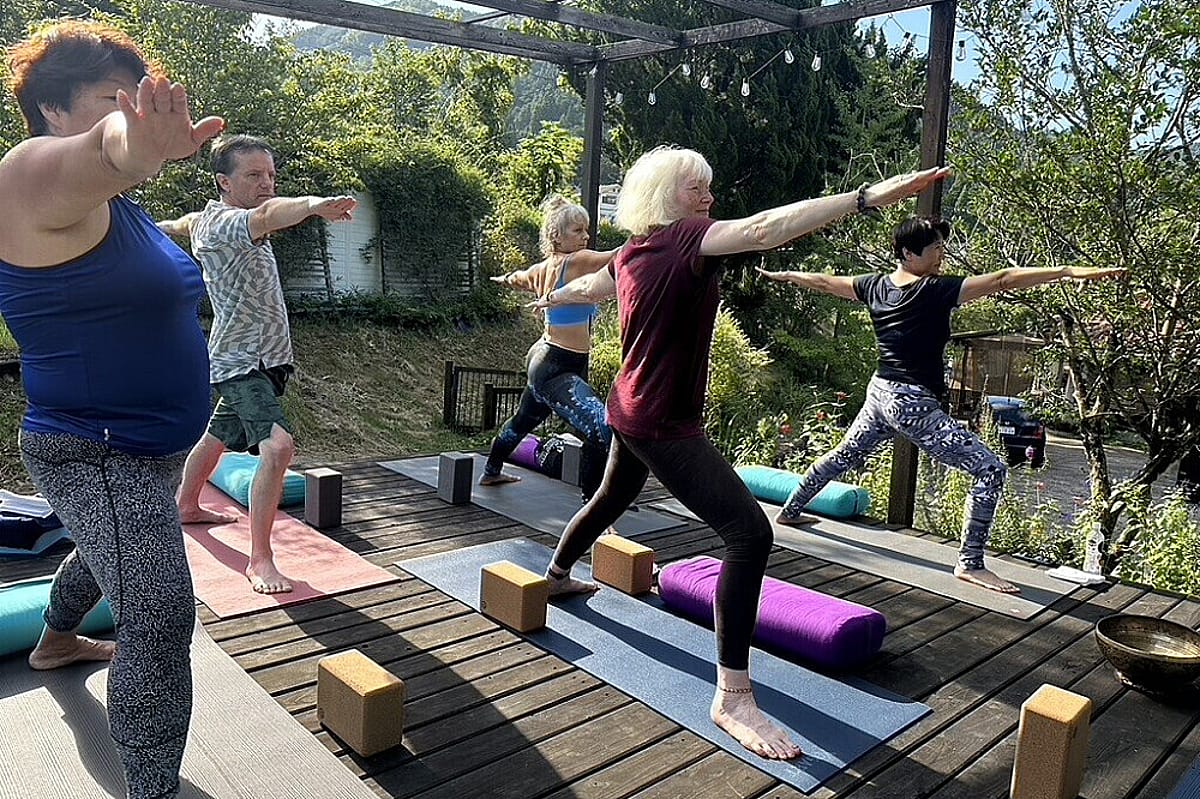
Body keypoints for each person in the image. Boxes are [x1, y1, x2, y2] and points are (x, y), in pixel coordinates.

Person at [536, 145, 948, 761]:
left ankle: (558, 576)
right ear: (663, 197)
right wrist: (865, 198)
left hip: (628, 407)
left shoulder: (631, 252)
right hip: (661, 423)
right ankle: (731, 696)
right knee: (750, 536)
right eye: (695, 189)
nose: (707, 198)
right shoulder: (684, 239)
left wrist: (537, 289)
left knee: (611, 497)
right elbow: (762, 228)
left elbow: (587, 287)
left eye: (708, 187)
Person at [0, 20, 224, 799]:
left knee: (106, 554)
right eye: (113, 98)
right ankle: (153, 787)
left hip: (146, 449)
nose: (132, 109)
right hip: (92, 449)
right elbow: (109, 152)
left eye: (140, 96)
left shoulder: (119, 211)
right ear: (55, 110)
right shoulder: (25, 175)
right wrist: (137, 141)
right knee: (159, 610)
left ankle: (55, 640)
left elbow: (127, 193)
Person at [759, 216, 1124, 593]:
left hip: (880, 392)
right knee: (991, 470)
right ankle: (970, 564)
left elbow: (822, 281)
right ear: (907, 253)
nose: (941, 255)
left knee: (844, 454)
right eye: (935, 249)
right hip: (913, 404)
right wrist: (1067, 271)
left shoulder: (873, 285)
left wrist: (786, 275)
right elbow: (1003, 279)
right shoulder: (934, 291)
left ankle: (790, 510)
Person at [160, 134, 356, 595]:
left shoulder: (209, 218)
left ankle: (185, 503)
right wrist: (313, 204)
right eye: (254, 175)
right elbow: (267, 214)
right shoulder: (231, 224)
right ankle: (260, 560)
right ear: (223, 182)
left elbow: (186, 222)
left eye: (270, 174)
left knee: (217, 436)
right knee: (278, 447)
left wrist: (152, 227)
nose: (266, 183)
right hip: (241, 359)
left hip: (266, 358)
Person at [481, 195, 619, 501]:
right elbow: (619, 256)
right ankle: (593, 505)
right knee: (602, 426)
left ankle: (491, 471)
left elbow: (518, 278)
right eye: (577, 231)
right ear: (556, 235)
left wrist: (502, 278)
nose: (585, 236)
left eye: (586, 231)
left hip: (546, 360)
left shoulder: (542, 267)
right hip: (557, 367)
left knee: (522, 422)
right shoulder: (578, 261)